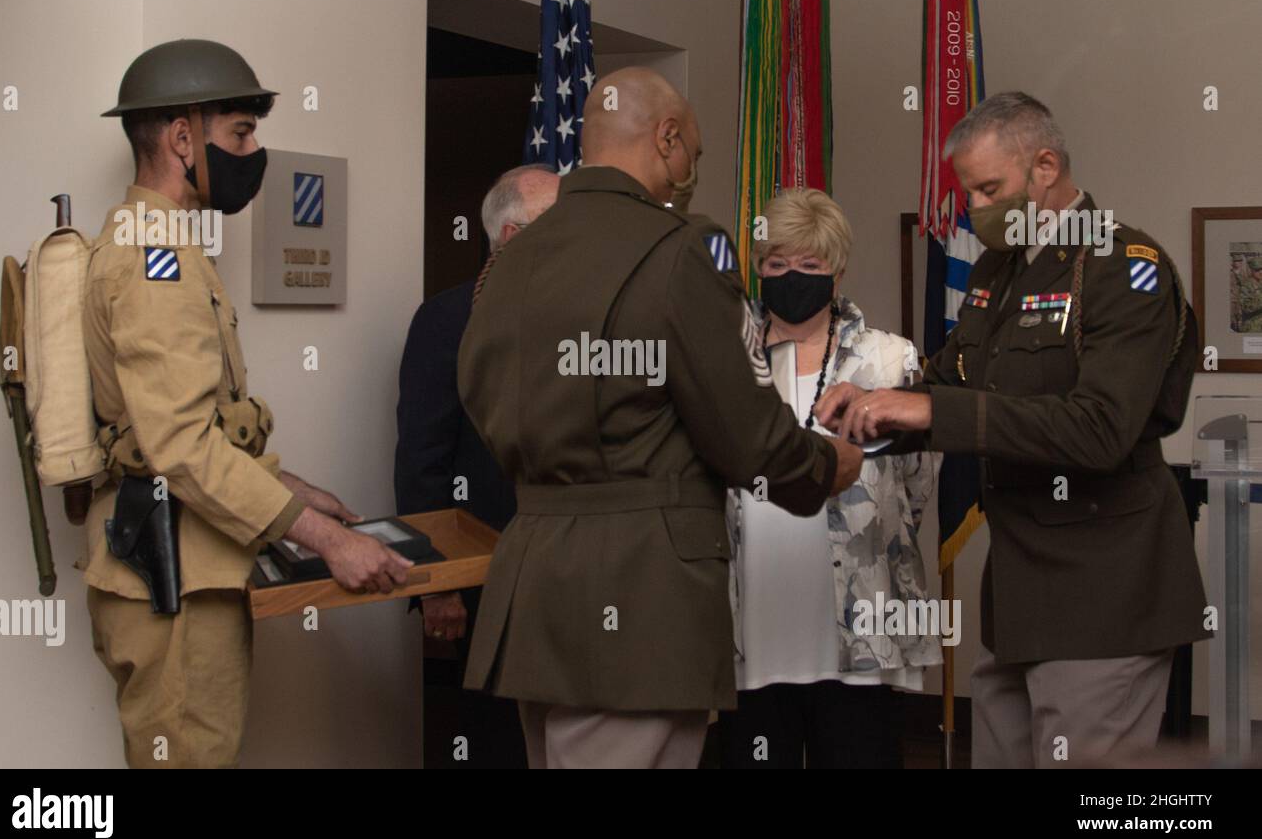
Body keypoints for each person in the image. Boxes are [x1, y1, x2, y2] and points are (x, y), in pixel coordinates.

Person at [457, 66, 862, 769]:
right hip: (640, 598)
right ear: (667, 138)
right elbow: (746, 431)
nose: (690, 173)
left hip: (531, 582)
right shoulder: (681, 250)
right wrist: (827, 465)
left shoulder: (514, 256)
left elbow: (477, 388)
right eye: (694, 155)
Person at [816, 91, 1209, 768]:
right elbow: (950, 379)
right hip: (1019, 591)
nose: (974, 208)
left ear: (1046, 167)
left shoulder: (1123, 265)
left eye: (989, 188)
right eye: (968, 191)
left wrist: (935, 409)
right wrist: (875, 406)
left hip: (1103, 591)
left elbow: (1101, 431)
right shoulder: (1000, 271)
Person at [85, 39, 410, 768]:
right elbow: (181, 447)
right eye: (240, 133)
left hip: (185, 562)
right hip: (172, 576)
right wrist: (329, 542)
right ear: (180, 138)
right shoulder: (152, 260)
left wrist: (295, 492)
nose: (253, 151)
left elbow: (188, 426)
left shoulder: (159, 244)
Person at [719, 188, 941, 769]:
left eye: (810, 265)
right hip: (751, 619)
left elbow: (917, 484)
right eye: (776, 264)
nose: (792, 276)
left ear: (837, 271)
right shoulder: (722, 360)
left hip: (857, 618)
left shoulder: (891, 360)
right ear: (759, 269)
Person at [395, 163, 558, 766]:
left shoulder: (589, 316)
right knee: (494, 742)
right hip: (486, 577)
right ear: (514, 237)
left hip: (574, 576)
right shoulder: (447, 322)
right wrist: (437, 586)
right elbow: (423, 460)